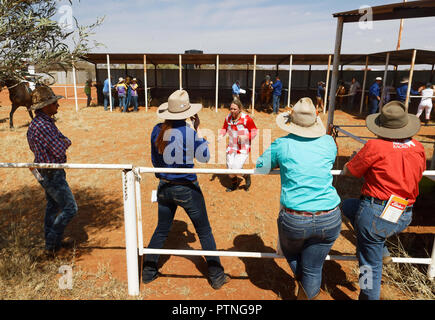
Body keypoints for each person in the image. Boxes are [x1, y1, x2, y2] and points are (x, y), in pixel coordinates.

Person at [142, 89, 229, 290]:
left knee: (161, 229)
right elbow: (205, 157)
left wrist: (163, 176)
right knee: (204, 231)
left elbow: (155, 160)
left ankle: (147, 272)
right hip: (187, 188)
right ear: (188, 113)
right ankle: (216, 276)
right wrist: (198, 130)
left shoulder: (157, 130)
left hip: (164, 186)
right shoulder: (189, 132)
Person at [255, 97, 342, 300]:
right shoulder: (329, 142)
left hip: (295, 218)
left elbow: (261, 168)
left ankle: (303, 283)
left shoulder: (282, 144)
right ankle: (308, 288)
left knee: (291, 252)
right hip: (329, 216)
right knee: (314, 268)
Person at [341, 100, 426, 300]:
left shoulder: (375, 146)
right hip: (403, 213)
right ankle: (382, 249)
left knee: (368, 266)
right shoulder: (418, 147)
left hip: (375, 213)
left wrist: (355, 159)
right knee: (348, 206)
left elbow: (349, 171)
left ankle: (368, 296)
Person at [26, 86, 78, 256]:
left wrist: (64, 140)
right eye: (54, 102)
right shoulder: (45, 125)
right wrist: (65, 141)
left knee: (53, 205)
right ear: (45, 106)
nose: (57, 105)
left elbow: (64, 140)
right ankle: (51, 243)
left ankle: (51, 241)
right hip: (51, 171)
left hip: (44, 170)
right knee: (70, 208)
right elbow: (60, 148)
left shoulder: (40, 123)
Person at [218, 97, 258, 192]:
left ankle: (246, 176)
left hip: (243, 147)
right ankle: (234, 184)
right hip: (232, 146)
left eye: (234, 109)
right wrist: (221, 135)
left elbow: (254, 131)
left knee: (236, 168)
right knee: (230, 170)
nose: (232, 111)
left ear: (240, 109)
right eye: (231, 108)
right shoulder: (228, 118)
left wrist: (246, 137)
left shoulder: (246, 119)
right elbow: (224, 128)